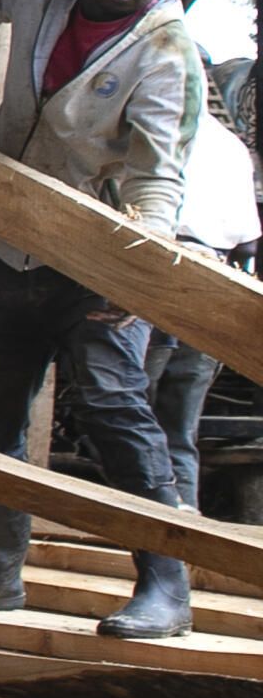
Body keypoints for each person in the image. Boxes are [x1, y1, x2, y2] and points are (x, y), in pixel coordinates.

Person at [0, 0, 204, 638]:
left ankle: (166, 586)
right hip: (11, 240)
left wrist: (134, 271)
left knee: (114, 409)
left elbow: (157, 173)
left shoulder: (167, 48)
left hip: (94, 256)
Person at [141, 90, 258, 512]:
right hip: (213, 283)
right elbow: (249, 243)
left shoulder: (157, 130)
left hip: (157, 273)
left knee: (134, 411)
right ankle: (182, 518)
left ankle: (144, 516)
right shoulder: (232, 147)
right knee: (179, 422)